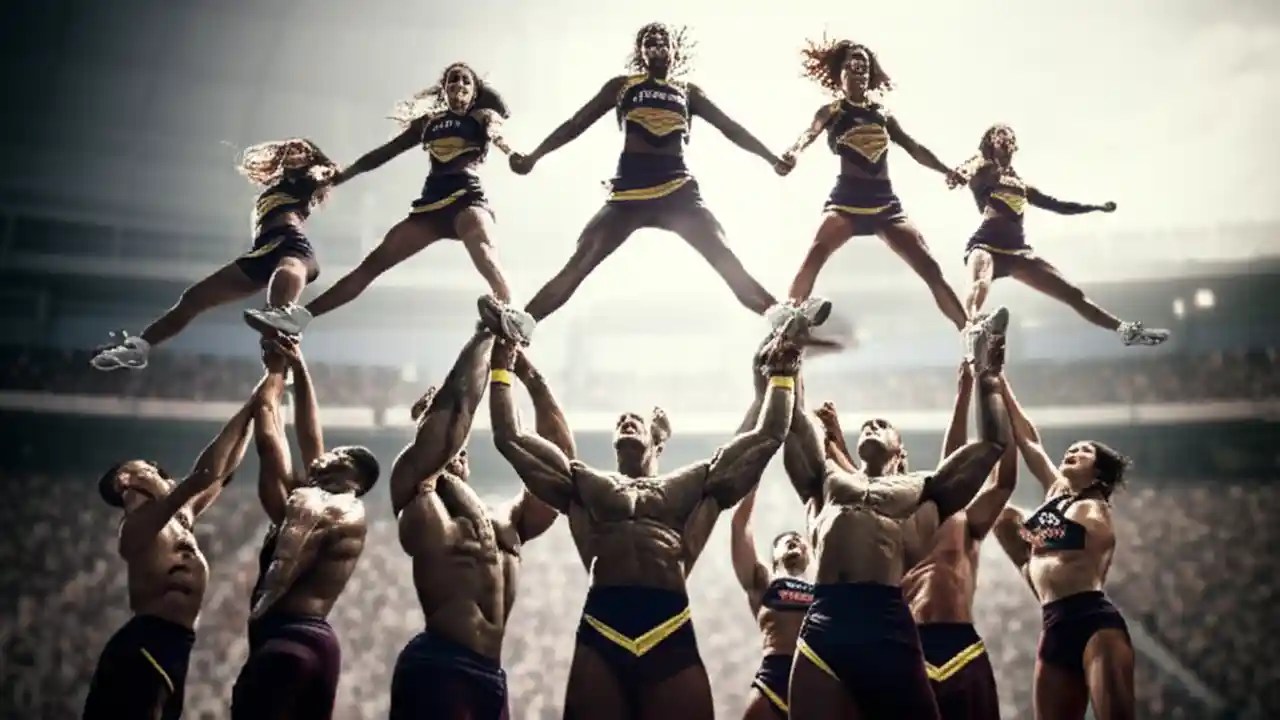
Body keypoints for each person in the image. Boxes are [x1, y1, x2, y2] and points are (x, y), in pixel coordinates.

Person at [489, 319, 805, 719]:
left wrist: (781, 375)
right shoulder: (587, 483)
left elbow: (767, 437)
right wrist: (504, 369)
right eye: (619, 421)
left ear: (657, 442)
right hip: (603, 623)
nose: (626, 420)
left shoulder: (687, 486)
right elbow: (510, 438)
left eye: (634, 419)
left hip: (667, 623)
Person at [507, 22, 835, 338]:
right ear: (640, 52)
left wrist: (771, 158)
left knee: (724, 256)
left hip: (678, 193)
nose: (657, 45)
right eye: (649, 42)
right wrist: (534, 156)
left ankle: (779, 314)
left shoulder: (688, 92)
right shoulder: (622, 87)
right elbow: (575, 124)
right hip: (628, 195)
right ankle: (523, 321)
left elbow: (730, 127)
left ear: (675, 52)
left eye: (664, 41)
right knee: (582, 259)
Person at [780, 308, 1011, 720]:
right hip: (825, 618)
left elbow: (991, 445)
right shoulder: (830, 479)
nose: (871, 426)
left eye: (882, 424)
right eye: (866, 424)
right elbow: (794, 424)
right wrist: (792, 359)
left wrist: (987, 377)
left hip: (885, 619)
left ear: (900, 451)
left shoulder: (922, 490)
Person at [244, 63, 535, 345]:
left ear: (474, 92)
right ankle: (298, 318)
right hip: (430, 207)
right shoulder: (428, 123)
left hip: (467, 198)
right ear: (444, 90)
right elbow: (381, 154)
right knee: (372, 264)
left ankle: (512, 309)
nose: (458, 84)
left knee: (483, 248)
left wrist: (513, 153)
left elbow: (498, 135)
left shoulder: (482, 116)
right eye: (452, 80)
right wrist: (341, 176)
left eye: (465, 80)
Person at [387, 300, 569, 719]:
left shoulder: (505, 519)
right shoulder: (417, 496)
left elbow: (559, 470)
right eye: (453, 450)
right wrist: (485, 335)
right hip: (441, 667)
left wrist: (526, 374)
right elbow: (453, 418)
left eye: (464, 452)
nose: (460, 453)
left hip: (490, 676)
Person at [83, 376, 260, 719]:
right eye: (148, 468)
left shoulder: (180, 516)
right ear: (126, 480)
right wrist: (253, 405)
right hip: (148, 642)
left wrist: (257, 404)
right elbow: (205, 474)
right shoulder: (137, 526)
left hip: (177, 643)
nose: (160, 472)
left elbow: (223, 470)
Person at [229, 336, 379, 720]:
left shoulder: (312, 502)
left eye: (338, 455)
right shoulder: (339, 501)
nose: (326, 455)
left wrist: (275, 376)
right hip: (320, 645)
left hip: (284, 639)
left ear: (354, 476)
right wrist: (296, 365)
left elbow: (270, 438)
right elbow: (309, 433)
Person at [91, 139, 339, 370]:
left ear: (310, 160)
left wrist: (327, 172)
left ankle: (283, 329)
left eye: (301, 152)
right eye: (291, 150)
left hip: (290, 245)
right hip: (261, 253)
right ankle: (140, 347)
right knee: (193, 298)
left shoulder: (310, 180)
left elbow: (338, 173)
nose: (294, 154)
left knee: (283, 278)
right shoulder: (280, 187)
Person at [777, 37, 968, 332]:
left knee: (929, 266)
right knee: (816, 252)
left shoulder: (883, 115)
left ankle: (969, 330)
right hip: (847, 201)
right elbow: (808, 134)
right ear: (840, 73)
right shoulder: (832, 112)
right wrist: (793, 152)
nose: (859, 71)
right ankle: (787, 321)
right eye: (853, 65)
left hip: (885, 203)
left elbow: (914, 147)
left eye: (864, 66)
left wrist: (946, 171)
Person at [990, 374, 1136, 720]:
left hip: (1093, 621)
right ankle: (1030, 569)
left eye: (1085, 450)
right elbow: (1029, 439)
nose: (1074, 450)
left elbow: (1081, 539)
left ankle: (1030, 564)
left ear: (1098, 474)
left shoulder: (1093, 506)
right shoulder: (1057, 493)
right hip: (1053, 623)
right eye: (1072, 447)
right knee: (1003, 517)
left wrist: (1028, 532)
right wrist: (997, 380)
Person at [950, 123, 1168, 348]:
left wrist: (1095, 207)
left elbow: (1060, 206)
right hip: (985, 245)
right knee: (980, 282)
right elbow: (969, 168)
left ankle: (1124, 330)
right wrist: (958, 174)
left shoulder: (1023, 188)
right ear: (991, 146)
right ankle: (971, 326)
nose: (1006, 150)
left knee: (1072, 293)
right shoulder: (983, 173)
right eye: (1000, 144)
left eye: (1009, 145)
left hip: (1017, 252)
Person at [731, 485, 814, 719]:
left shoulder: (823, 587)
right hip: (772, 682)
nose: (794, 541)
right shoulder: (764, 583)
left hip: (816, 683)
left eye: (799, 540)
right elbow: (740, 527)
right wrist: (753, 478)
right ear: (774, 557)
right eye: (786, 541)